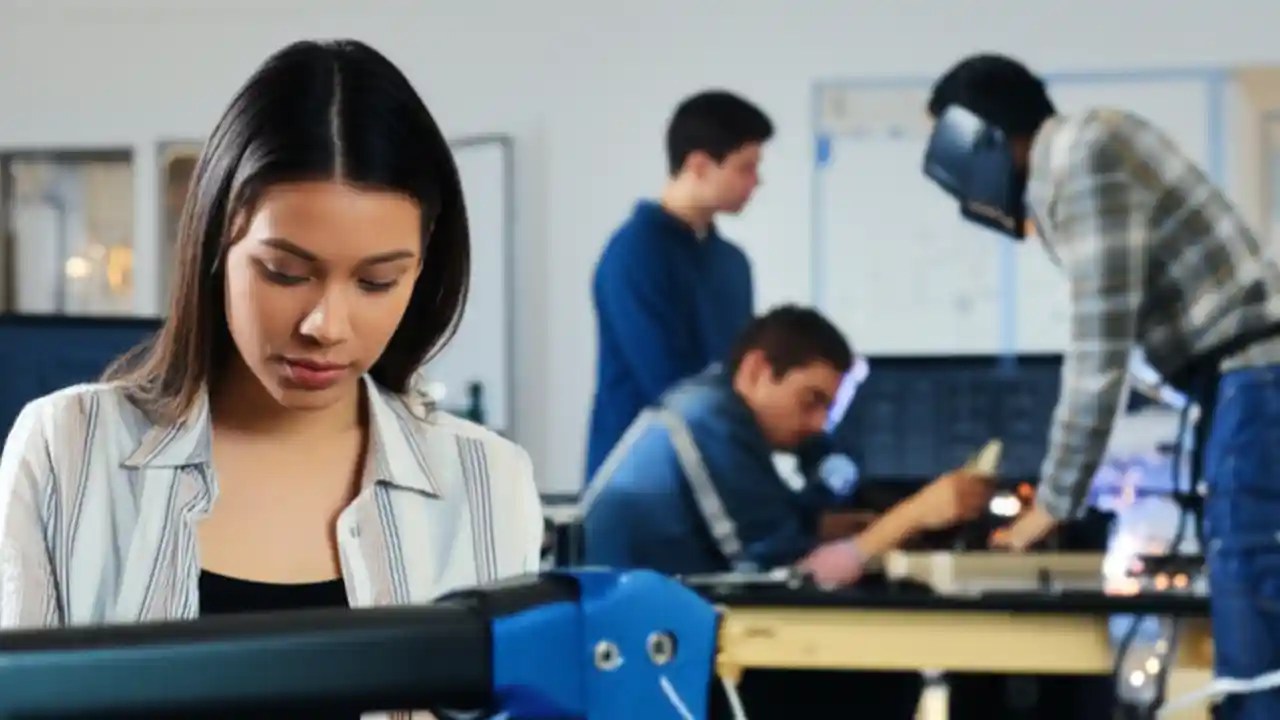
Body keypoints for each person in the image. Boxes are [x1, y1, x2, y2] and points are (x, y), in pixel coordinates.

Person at [0, 40, 543, 718]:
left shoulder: (489, 484)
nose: (326, 323)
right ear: (216, 242)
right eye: (285, 272)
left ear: (423, 271)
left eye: (377, 281)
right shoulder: (69, 450)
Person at [920, 53, 1280, 720]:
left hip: (1259, 380)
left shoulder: (1083, 155)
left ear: (980, 136)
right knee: (1252, 627)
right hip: (1245, 383)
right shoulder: (1085, 154)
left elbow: (1097, 353)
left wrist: (1049, 507)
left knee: (1260, 644)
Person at [582, 305, 993, 720]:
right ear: (758, 370)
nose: (818, 424)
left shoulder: (714, 408)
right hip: (640, 656)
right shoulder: (707, 419)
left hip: (657, 635)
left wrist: (825, 526)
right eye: (811, 401)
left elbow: (759, 524)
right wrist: (912, 515)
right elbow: (785, 573)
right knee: (873, 679)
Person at [584, 90, 772, 484]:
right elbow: (670, 386)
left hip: (710, 475)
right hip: (640, 488)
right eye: (746, 167)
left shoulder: (731, 263)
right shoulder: (634, 254)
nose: (757, 182)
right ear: (699, 165)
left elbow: (741, 375)